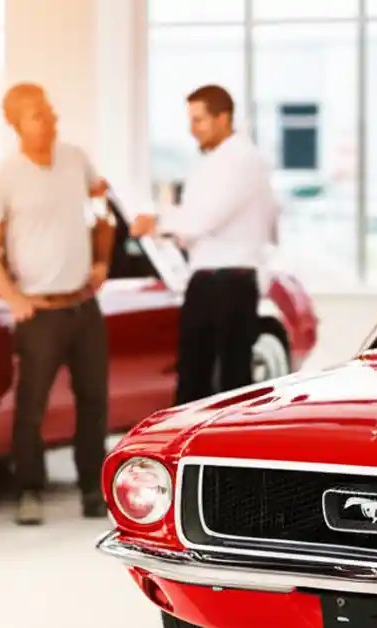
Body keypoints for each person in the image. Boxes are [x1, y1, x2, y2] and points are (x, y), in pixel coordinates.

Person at [0, 83, 114, 526]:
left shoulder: (76, 159)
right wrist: (14, 299)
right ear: (15, 123)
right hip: (39, 313)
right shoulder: (1, 176)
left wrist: (103, 259)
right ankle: (29, 490)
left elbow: (103, 207)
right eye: (37, 115)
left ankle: (93, 489)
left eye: (50, 112)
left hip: (83, 307)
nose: (49, 121)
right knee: (31, 407)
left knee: (95, 401)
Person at [130, 84, 277, 405]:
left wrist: (157, 223)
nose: (192, 129)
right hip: (209, 279)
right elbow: (193, 226)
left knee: (229, 386)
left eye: (199, 120)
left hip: (230, 280)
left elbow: (203, 219)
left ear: (223, 118)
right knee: (194, 382)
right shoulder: (213, 163)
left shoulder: (243, 160)